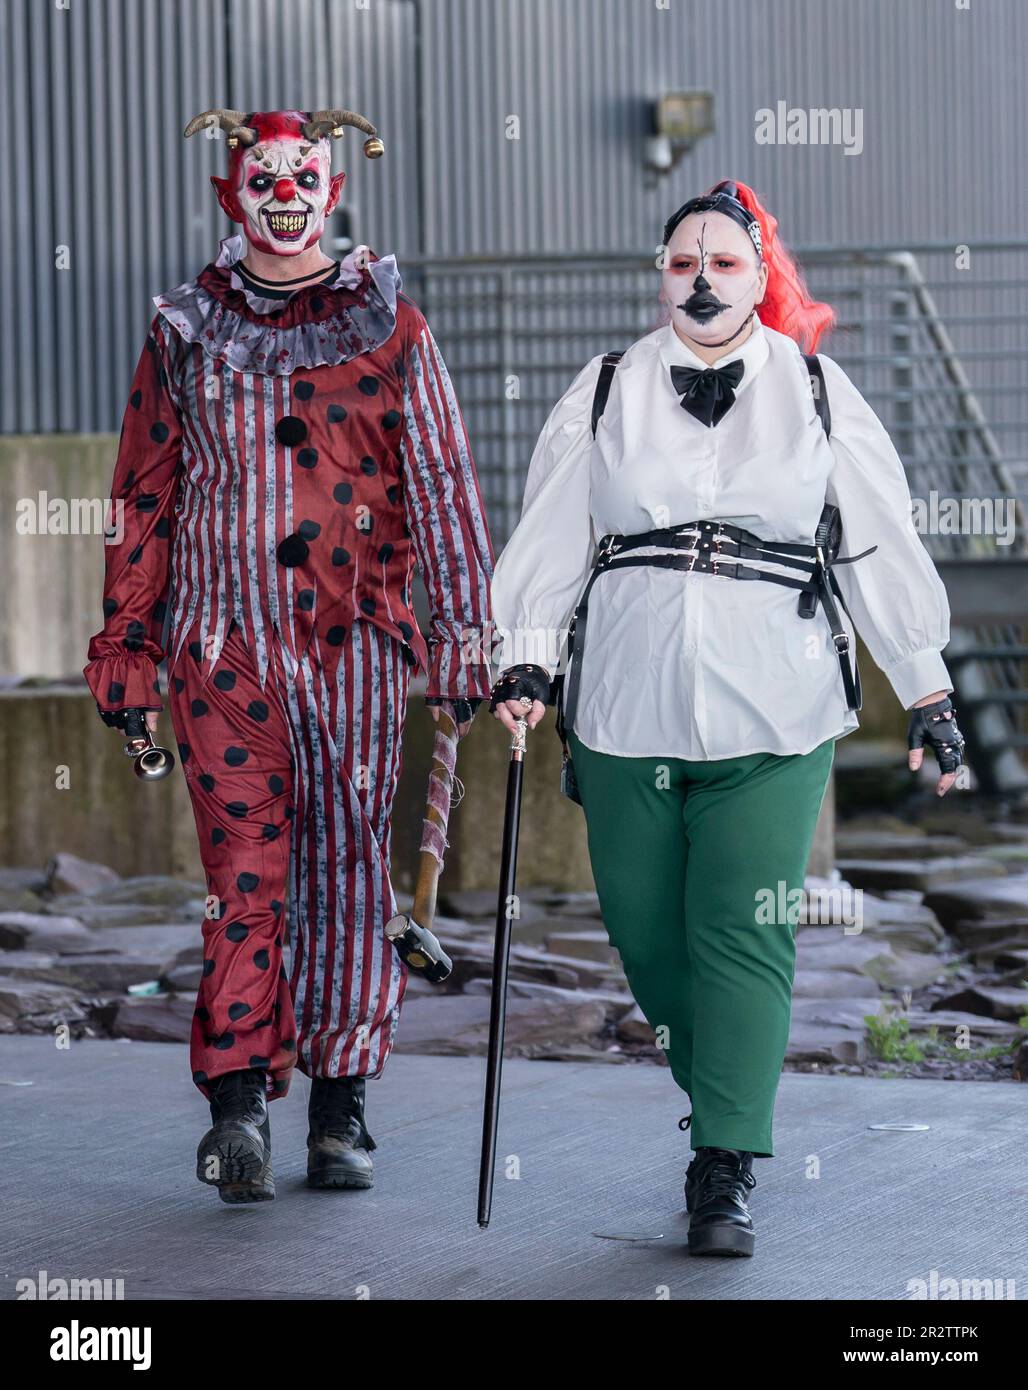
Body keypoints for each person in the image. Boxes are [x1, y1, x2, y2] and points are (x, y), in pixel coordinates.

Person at [488, 179, 965, 1258]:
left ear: (759, 279)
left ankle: (724, 1159)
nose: (700, 279)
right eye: (681, 263)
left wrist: (925, 689)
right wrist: (525, 655)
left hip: (777, 707)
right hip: (624, 707)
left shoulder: (817, 390)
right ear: (658, 279)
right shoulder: (605, 389)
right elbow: (554, 532)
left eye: (724, 263)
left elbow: (875, 541)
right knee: (645, 934)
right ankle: (722, 1097)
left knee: (743, 931)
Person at [83, 108, 493, 1203]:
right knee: (242, 877)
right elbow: (142, 497)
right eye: (261, 179)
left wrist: (464, 643)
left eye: (302, 177)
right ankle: (236, 1106)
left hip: (356, 650)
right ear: (232, 195)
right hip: (221, 651)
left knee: (352, 875)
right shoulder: (183, 329)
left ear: (332, 190)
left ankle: (338, 1106)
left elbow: (444, 488)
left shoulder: (393, 327)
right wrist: (126, 646)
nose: (284, 196)